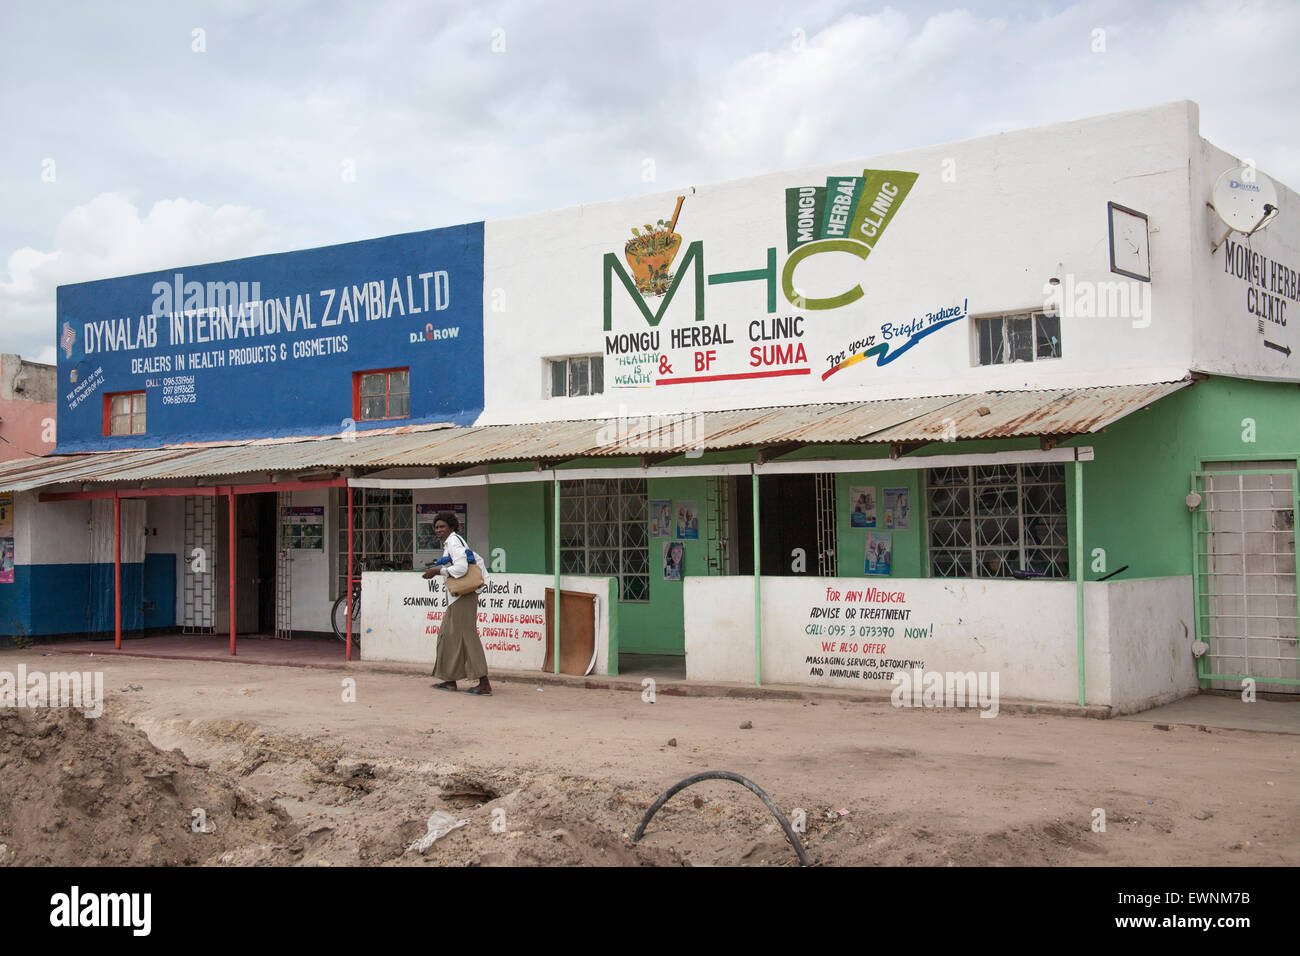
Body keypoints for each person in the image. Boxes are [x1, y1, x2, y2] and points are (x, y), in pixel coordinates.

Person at [422, 511, 491, 696]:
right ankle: (449, 680)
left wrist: (437, 571)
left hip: (463, 597)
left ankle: (484, 683)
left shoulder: (453, 541)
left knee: (467, 637)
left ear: (451, 527)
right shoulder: (451, 542)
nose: (438, 530)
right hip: (457, 597)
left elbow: (461, 568)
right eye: (436, 527)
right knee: (447, 635)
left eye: (442, 527)